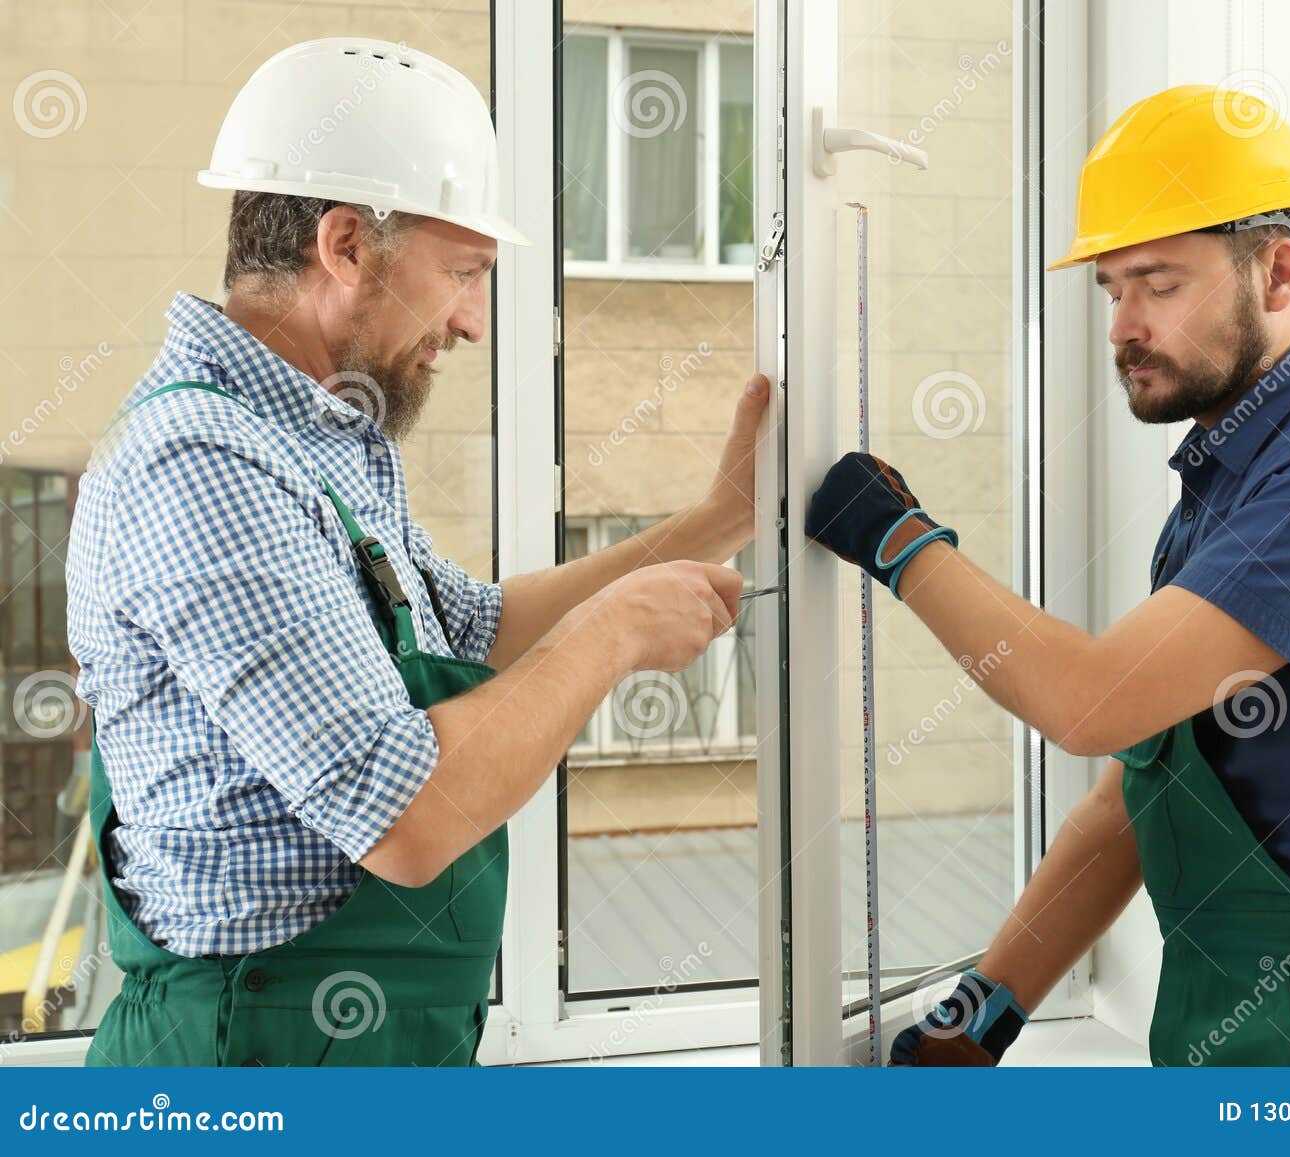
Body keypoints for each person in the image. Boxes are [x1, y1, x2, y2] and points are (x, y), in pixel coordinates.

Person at [66, 38, 766, 1066]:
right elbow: (404, 813)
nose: (473, 322)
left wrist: (721, 515)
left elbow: (479, 625)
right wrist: (613, 636)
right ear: (344, 244)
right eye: (466, 272)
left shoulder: (312, 439)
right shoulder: (203, 466)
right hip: (250, 1056)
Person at [807, 84, 1290, 1067]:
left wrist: (900, 540)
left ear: (1275, 274)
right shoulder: (1230, 485)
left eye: (1157, 283)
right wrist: (985, 1009)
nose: (1120, 326)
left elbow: (1095, 699)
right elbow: (1147, 788)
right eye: (1109, 288)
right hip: (1239, 1006)